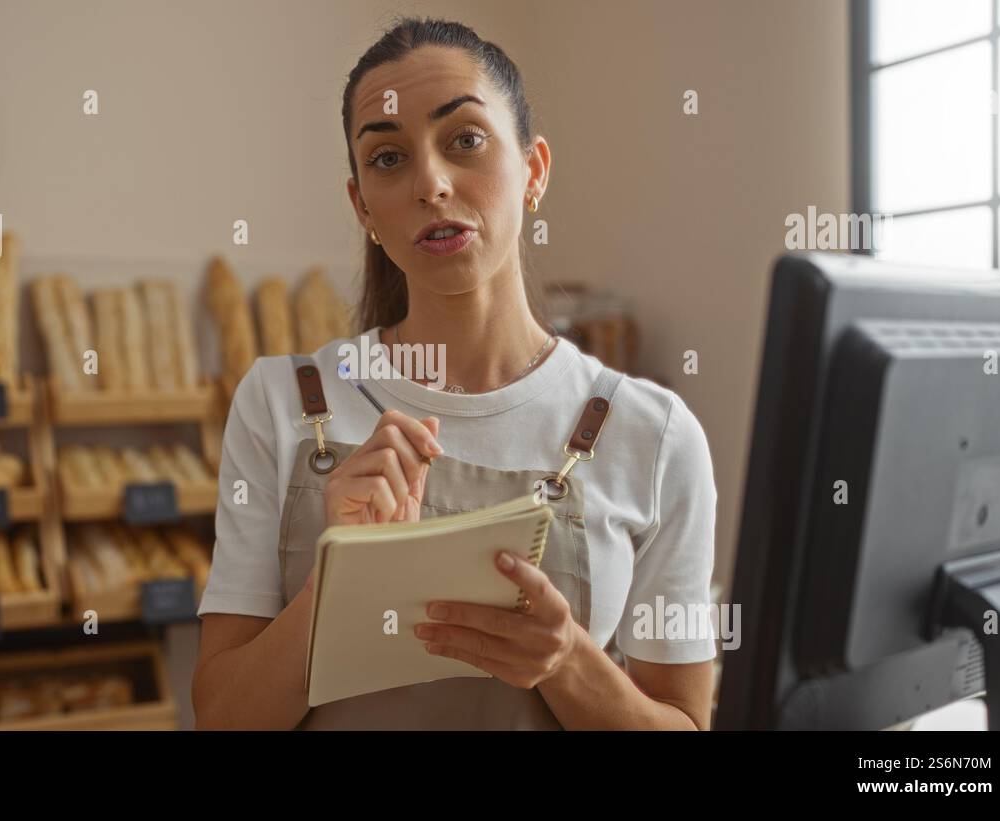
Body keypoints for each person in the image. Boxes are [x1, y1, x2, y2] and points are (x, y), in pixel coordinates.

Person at [192, 16, 717, 730]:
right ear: (363, 209)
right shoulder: (283, 401)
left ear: (532, 171)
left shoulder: (654, 436)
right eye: (387, 159)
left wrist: (567, 661)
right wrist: (337, 580)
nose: (430, 183)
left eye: (465, 140)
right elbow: (223, 717)